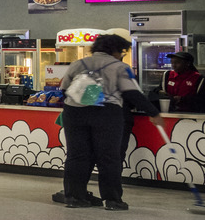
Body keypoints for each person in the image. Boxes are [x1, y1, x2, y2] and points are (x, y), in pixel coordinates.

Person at [55, 34, 151, 210]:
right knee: (108, 157)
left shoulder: (78, 64)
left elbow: (64, 89)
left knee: (77, 155)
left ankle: (74, 197)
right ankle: (112, 200)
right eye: (122, 52)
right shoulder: (120, 67)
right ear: (116, 50)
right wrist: (153, 112)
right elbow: (132, 93)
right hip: (107, 113)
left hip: (74, 112)